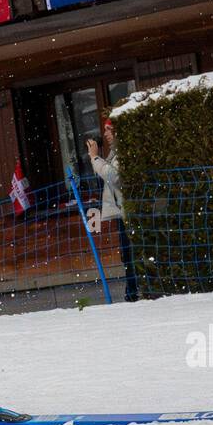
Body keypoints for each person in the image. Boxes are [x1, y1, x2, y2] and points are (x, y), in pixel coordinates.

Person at [87, 119, 139, 302]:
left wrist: (95, 158)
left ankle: (133, 293)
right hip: (122, 212)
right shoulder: (115, 153)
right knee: (127, 255)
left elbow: (113, 176)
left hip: (129, 212)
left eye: (109, 129)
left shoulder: (125, 152)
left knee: (131, 255)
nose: (106, 134)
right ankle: (132, 292)